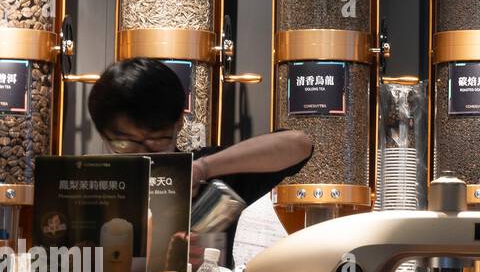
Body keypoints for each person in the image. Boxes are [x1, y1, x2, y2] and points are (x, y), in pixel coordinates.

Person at [87, 57, 313, 205]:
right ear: (104, 135)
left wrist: (203, 168)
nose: (144, 153)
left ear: (179, 123)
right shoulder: (90, 185)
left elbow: (300, 144)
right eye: (126, 142)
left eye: (156, 139)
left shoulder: (208, 177)